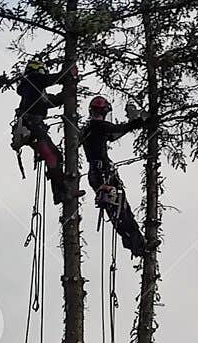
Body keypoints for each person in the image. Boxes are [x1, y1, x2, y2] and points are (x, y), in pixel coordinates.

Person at [79, 95, 145, 258]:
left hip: (100, 174)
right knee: (120, 211)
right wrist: (138, 121)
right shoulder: (98, 126)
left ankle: (137, 243)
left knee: (121, 209)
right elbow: (117, 131)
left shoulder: (91, 129)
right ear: (103, 111)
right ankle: (137, 244)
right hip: (102, 174)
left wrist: (135, 122)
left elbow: (113, 135)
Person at [9, 58, 73, 203]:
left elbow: (53, 101)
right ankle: (63, 192)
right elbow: (52, 79)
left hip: (33, 127)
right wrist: (68, 74)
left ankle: (59, 193)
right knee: (53, 157)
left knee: (56, 156)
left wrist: (68, 92)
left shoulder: (35, 91)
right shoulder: (33, 80)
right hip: (32, 126)